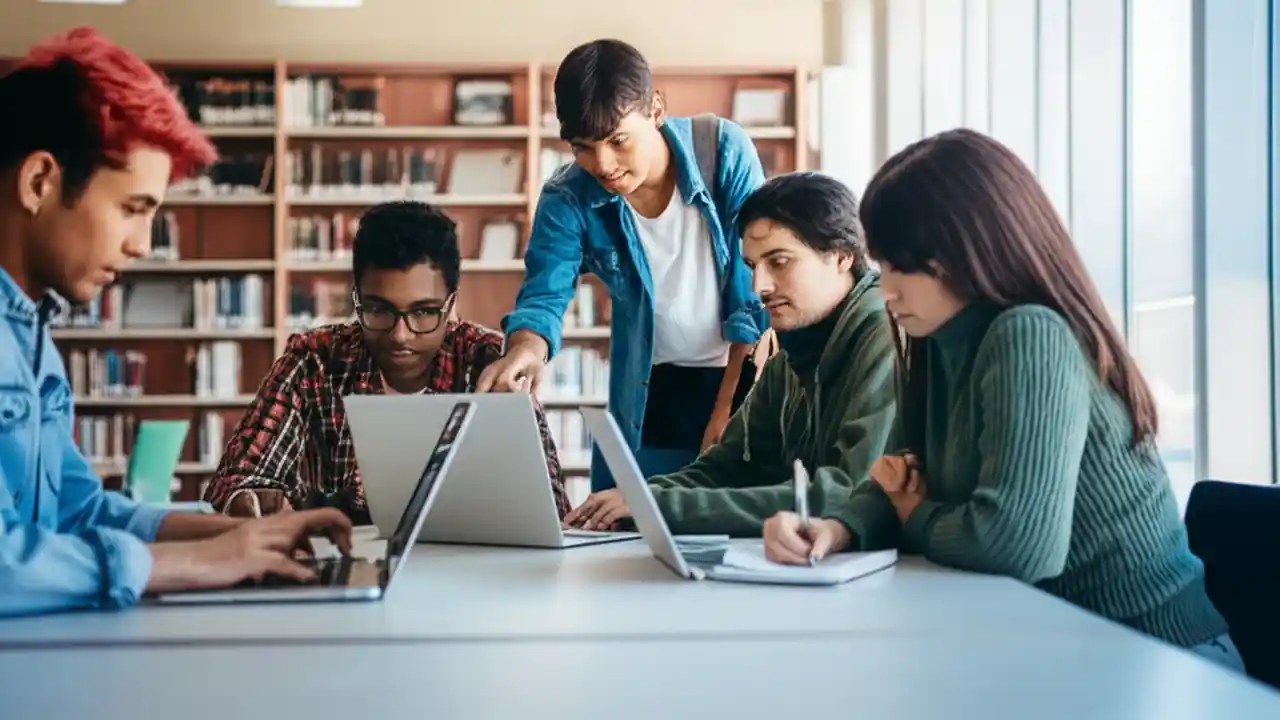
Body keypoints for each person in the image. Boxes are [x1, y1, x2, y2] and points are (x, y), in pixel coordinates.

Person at [762, 129, 1242, 670]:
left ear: (971, 253)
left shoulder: (1029, 334)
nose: (886, 289)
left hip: (1160, 659)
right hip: (1056, 645)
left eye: (903, 267)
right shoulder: (933, 338)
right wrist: (835, 530)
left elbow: (1016, 544)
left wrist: (917, 513)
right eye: (884, 266)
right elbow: (895, 477)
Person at [0, 27, 354, 618]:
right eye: (132, 209)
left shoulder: (31, 335)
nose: (141, 244)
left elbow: (77, 513)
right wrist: (197, 564)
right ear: (40, 181)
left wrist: (228, 534)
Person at [477, 39, 774, 490]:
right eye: (583, 147)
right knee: (621, 534)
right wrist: (525, 350)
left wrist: (727, 412)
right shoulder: (569, 195)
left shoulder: (723, 151)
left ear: (656, 109)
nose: (604, 164)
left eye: (618, 141)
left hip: (737, 377)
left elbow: (751, 295)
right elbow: (544, 293)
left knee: (730, 532)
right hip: (644, 393)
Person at [565, 172, 896, 535]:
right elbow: (727, 466)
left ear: (841, 256)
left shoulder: (885, 336)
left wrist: (657, 505)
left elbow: (847, 495)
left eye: (780, 261)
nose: (759, 286)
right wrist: (639, 495)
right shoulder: (789, 353)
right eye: (753, 266)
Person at [203, 200, 569, 523]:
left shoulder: (491, 365)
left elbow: (552, 506)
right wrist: (249, 499)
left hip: (472, 579)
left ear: (452, 305)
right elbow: (234, 481)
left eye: (424, 312)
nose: (400, 335)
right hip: (343, 577)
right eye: (379, 310)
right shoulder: (314, 360)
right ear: (356, 299)